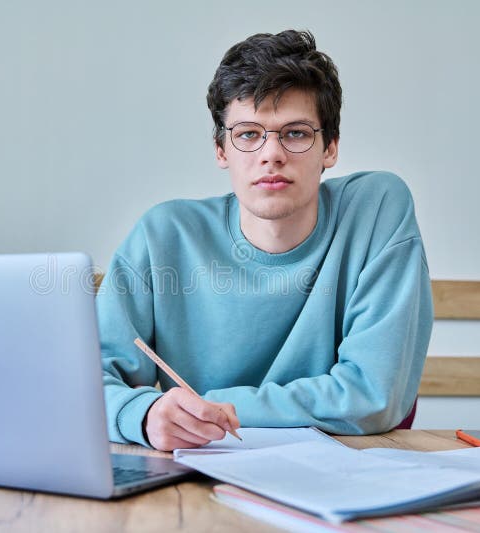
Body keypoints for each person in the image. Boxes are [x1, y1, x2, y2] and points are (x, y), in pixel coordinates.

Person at [96, 29, 433, 451]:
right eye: (249, 134)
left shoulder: (377, 208)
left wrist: (207, 405)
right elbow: (90, 381)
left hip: (343, 473)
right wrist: (144, 416)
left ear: (330, 147)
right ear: (222, 150)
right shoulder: (163, 235)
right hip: (201, 467)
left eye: (295, 133)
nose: (271, 153)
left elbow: (372, 397)